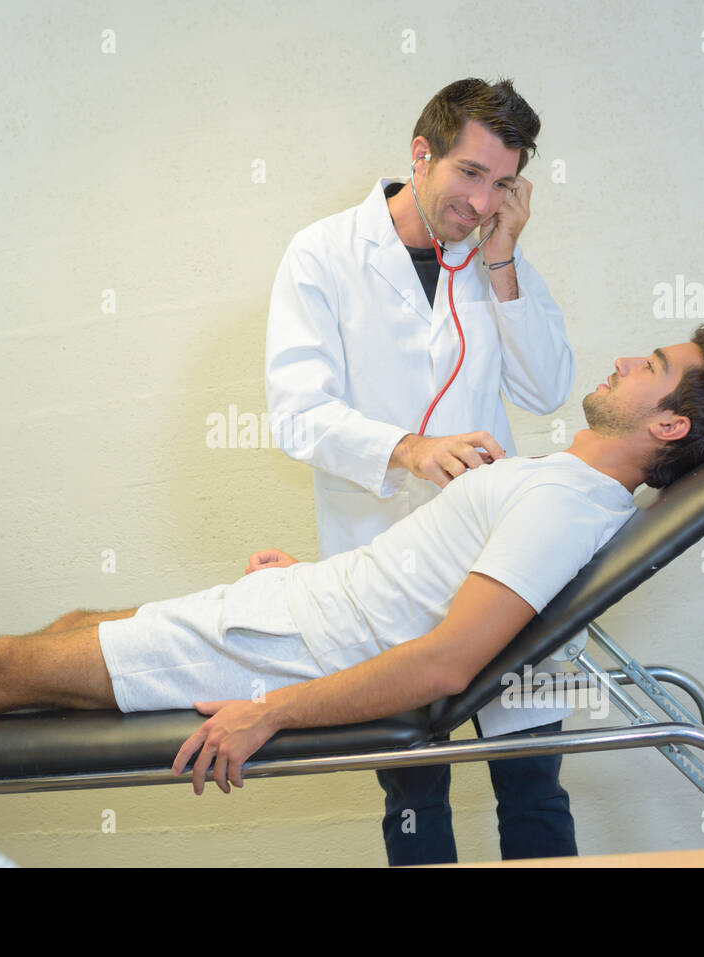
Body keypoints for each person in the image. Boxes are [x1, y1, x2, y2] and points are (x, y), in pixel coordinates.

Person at [0, 325, 704, 836]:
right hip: (300, 609)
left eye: (653, 366)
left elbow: (444, 660)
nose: (627, 358)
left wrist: (272, 710)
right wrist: (311, 574)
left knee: (6, 665)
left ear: (667, 426)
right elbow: (421, 589)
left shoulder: (565, 503)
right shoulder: (564, 481)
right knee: (62, 632)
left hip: (283, 651)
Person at [262, 77, 575, 864]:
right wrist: (409, 449)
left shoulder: (491, 256)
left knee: (535, 785)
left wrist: (503, 258)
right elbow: (297, 412)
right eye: (470, 174)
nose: (481, 201)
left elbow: (546, 386)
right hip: (387, 572)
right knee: (414, 797)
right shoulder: (323, 254)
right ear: (421, 153)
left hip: (504, 570)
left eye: (503, 183)